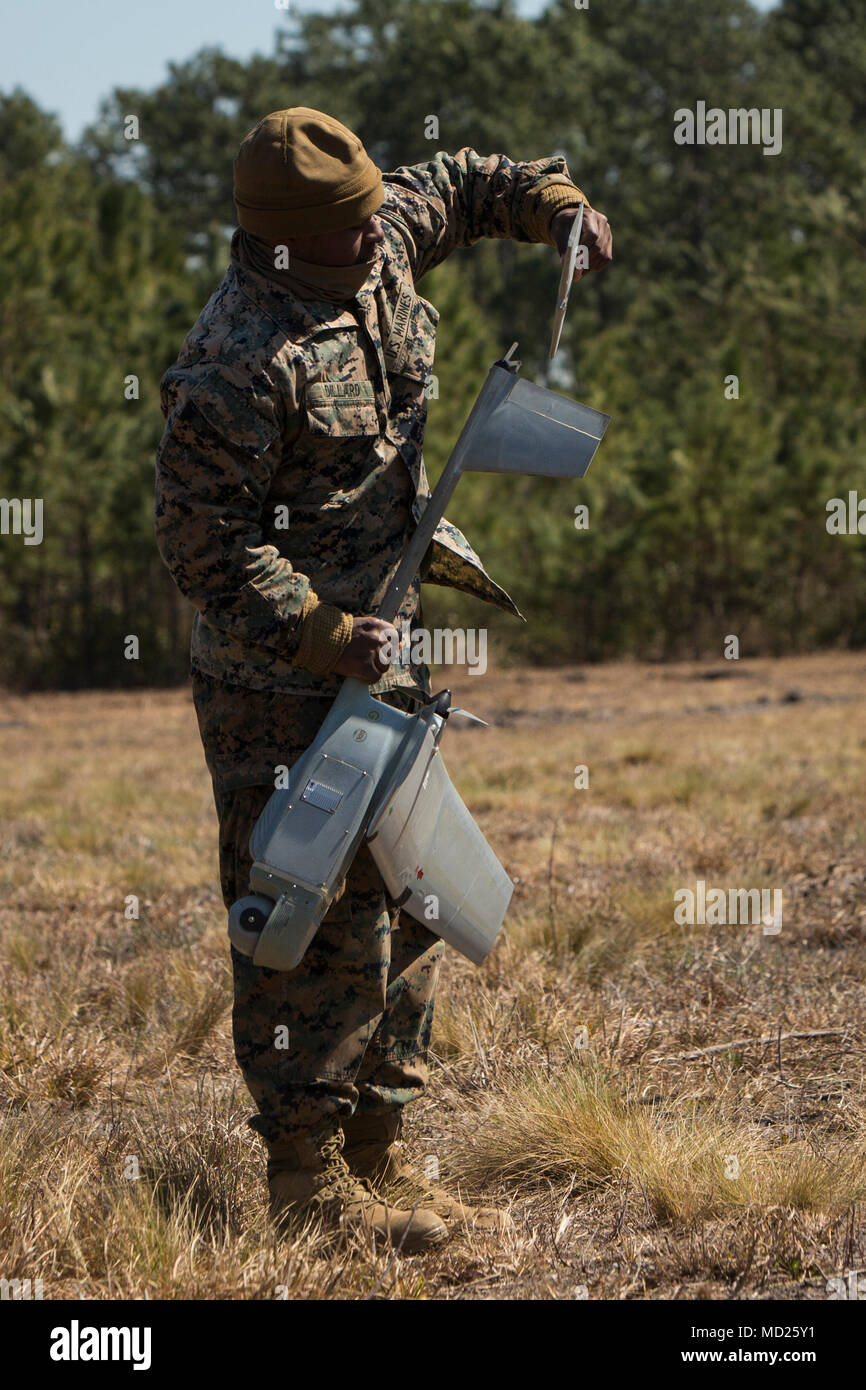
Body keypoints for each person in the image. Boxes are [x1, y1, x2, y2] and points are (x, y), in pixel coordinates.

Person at [154, 107, 612, 1253]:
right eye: (346, 235)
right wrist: (320, 630)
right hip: (278, 686)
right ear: (277, 243)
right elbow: (204, 547)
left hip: (391, 651)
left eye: (373, 221)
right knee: (304, 919)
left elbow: (459, 182)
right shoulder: (233, 361)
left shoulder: (376, 230)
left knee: (408, 900)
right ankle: (303, 1184)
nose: (374, 243)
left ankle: (378, 1155)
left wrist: (554, 208)